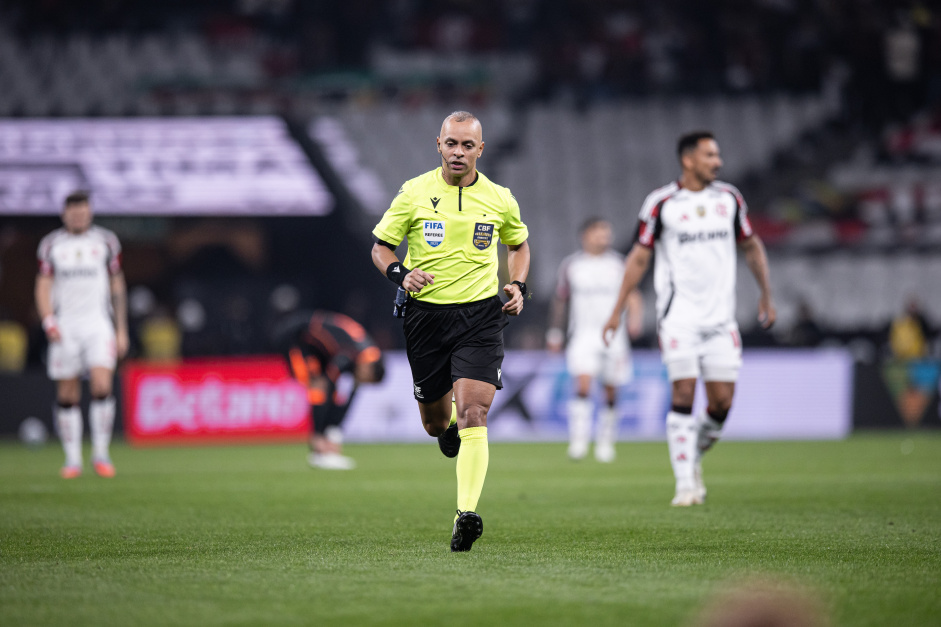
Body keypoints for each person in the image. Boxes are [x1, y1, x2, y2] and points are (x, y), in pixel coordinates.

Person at [370, 111, 530, 552]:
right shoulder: (414, 192)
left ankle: (466, 514)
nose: (458, 152)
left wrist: (517, 284)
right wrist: (400, 273)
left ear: (481, 149)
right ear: (438, 144)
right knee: (435, 422)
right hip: (426, 318)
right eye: (451, 143)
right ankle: (448, 427)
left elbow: (518, 245)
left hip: (480, 317)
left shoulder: (500, 199)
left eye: (467, 145)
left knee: (475, 412)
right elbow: (381, 248)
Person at [602, 131, 776, 507]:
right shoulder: (662, 203)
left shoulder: (729, 199)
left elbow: (751, 245)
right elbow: (639, 257)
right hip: (678, 317)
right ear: (688, 160)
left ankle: (691, 452)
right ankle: (684, 483)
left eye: (718, 155)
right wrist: (617, 310)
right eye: (710, 155)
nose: (718, 162)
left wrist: (765, 292)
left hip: (721, 321)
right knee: (683, 393)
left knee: (722, 404)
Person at [35, 191, 129, 478]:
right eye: (73, 211)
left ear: (89, 212)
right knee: (67, 392)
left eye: (82, 210)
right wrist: (48, 320)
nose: (78, 216)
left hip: (98, 323)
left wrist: (121, 329)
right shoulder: (51, 245)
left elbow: (116, 284)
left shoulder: (106, 241)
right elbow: (43, 285)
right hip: (66, 325)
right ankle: (73, 459)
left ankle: (101, 454)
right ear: (64, 214)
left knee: (102, 385)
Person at [547, 217, 643, 462]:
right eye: (599, 233)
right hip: (583, 335)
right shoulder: (572, 266)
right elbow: (560, 300)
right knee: (582, 386)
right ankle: (578, 442)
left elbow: (633, 295)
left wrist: (635, 319)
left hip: (614, 337)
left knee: (611, 391)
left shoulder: (620, 264)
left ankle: (605, 443)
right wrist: (555, 332)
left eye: (606, 233)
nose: (604, 237)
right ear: (585, 236)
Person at [273, 309, 385, 470]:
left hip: (317, 349)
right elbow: (329, 381)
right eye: (366, 380)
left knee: (331, 392)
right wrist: (323, 432)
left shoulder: (363, 355)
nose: (363, 382)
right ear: (368, 369)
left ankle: (326, 448)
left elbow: (342, 399)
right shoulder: (350, 354)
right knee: (319, 387)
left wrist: (334, 434)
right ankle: (318, 445)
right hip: (296, 337)